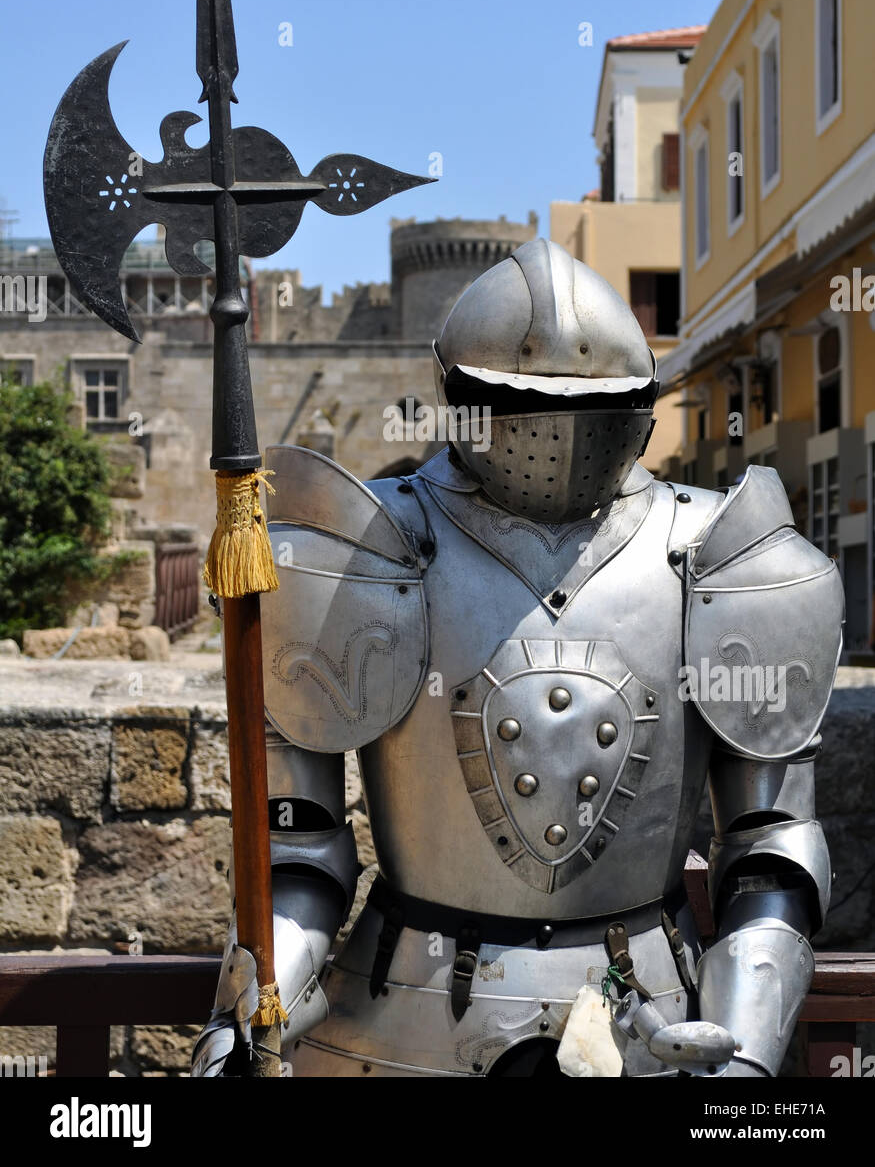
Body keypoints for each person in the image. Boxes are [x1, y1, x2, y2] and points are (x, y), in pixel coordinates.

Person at [193, 237, 842, 1078]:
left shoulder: (723, 552)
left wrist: (744, 1052)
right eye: (519, 403)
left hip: (652, 1025)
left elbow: (769, 851)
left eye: (590, 408)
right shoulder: (365, 549)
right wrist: (253, 1009)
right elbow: (296, 854)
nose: (556, 437)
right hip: (400, 1022)